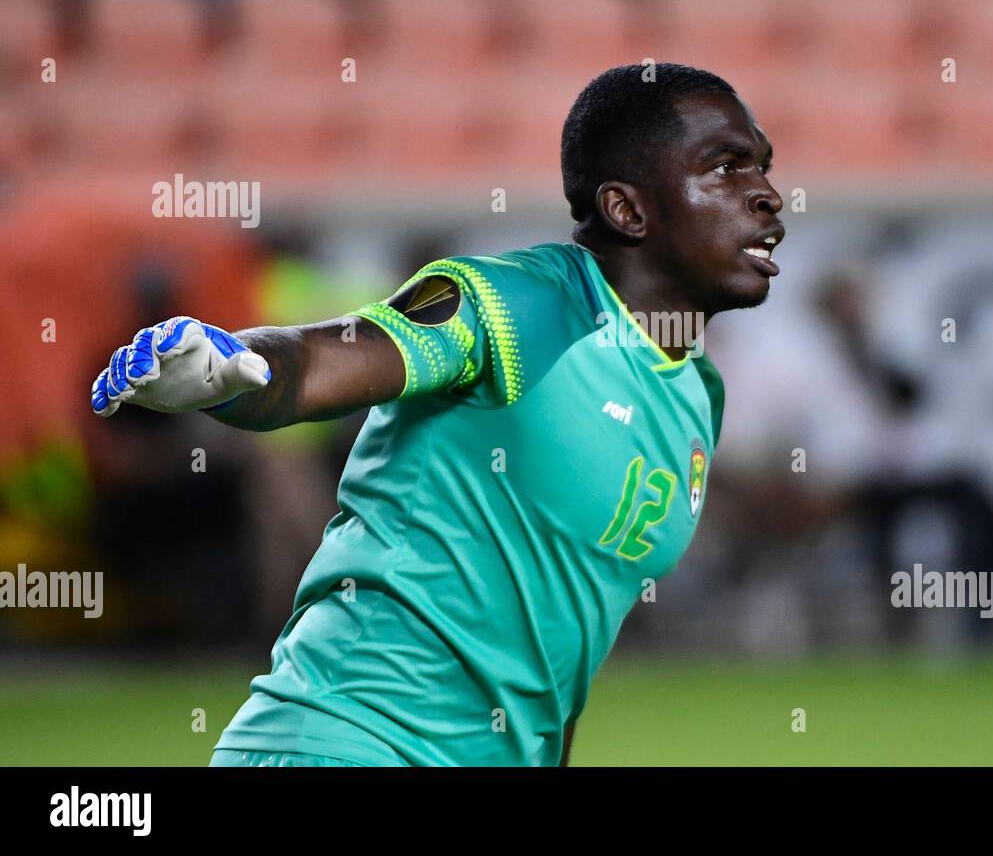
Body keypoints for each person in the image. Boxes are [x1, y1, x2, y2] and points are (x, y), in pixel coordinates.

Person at [89, 63, 786, 766]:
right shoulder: (520, 306)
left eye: (762, 165)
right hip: (347, 746)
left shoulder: (697, 394)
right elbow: (328, 362)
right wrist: (229, 373)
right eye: (726, 167)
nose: (766, 195)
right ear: (626, 209)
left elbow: (562, 644)